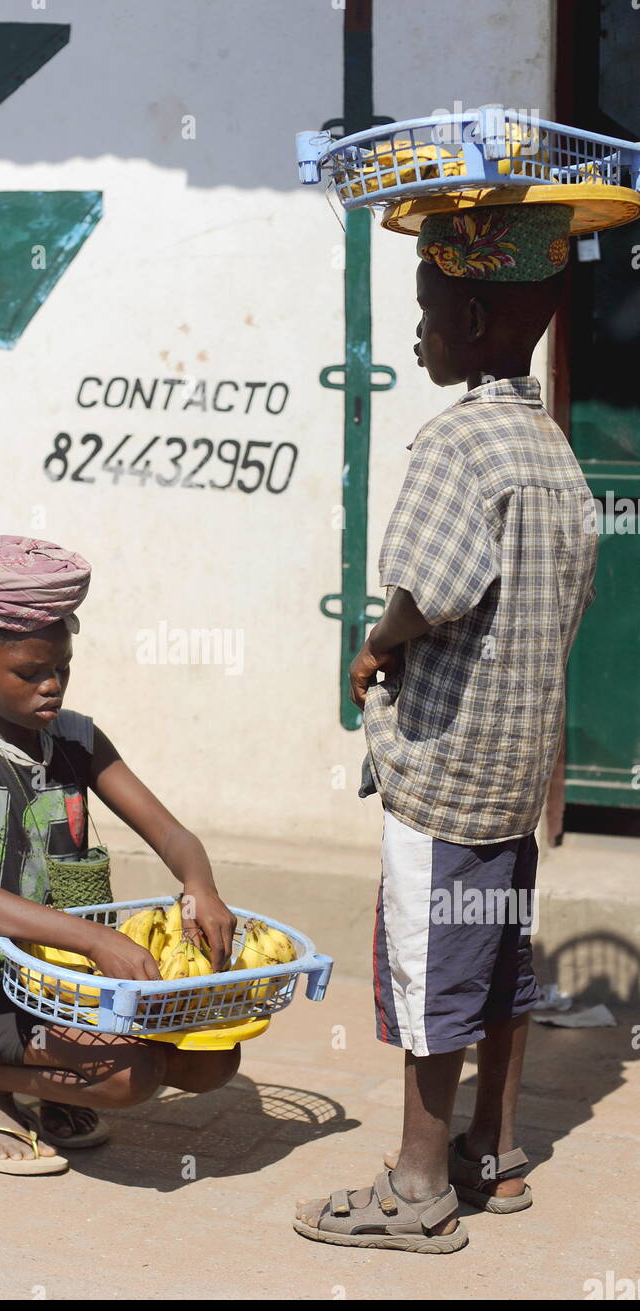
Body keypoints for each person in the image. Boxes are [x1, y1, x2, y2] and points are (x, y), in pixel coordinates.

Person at [295, 204, 597, 1251]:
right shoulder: (551, 447)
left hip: (445, 770)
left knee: (431, 968)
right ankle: (492, 1155)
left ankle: (416, 1187)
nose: (416, 333)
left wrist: (378, 643)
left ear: (469, 315)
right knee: (502, 960)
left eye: (425, 312)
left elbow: (429, 585)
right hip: (516, 776)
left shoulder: (458, 439)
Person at [0, 535, 240, 1174]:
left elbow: (172, 835)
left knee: (213, 1060)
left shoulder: (78, 738)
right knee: (134, 1078)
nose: (51, 686)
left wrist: (200, 884)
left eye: (61, 667)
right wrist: (93, 940)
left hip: (68, 983)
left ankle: (48, 1079)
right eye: (29, 673)